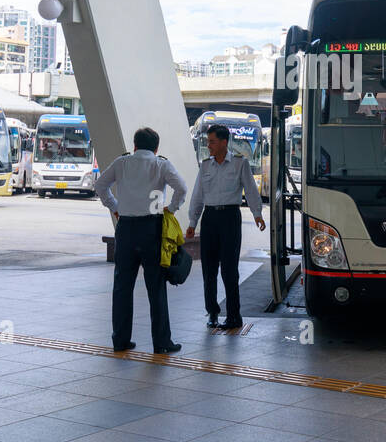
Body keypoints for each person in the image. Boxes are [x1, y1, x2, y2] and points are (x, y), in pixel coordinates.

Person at [94, 127, 187, 354]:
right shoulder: (161, 164)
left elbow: (100, 186)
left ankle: (121, 340)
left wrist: (115, 208)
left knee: (122, 286)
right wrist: (171, 209)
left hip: (125, 229)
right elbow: (181, 188)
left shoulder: (121, 163)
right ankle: (162, 343)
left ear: (134, 145)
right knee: (156, 287)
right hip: (151, 229)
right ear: (156, 148)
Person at [186, 124, 264, 329]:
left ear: (223, 142)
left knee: (230, 269)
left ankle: (234, 316)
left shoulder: (240, 163)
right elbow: (197, 196)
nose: (208, 145)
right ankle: (212, 312)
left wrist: (257, 214)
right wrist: (193, 222)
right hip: (210, 218)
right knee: (208, 269)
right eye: (208, 141)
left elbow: (251, 190)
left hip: (230, 217)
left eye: (212, 141)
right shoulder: (205, 166)